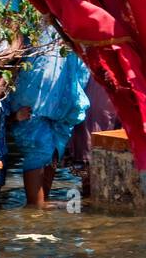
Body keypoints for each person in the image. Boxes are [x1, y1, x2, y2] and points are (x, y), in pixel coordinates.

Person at [8, 24, 90, 208]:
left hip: (64, 92)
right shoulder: (27, 5)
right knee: (39, 146)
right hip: (33, 92)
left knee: (55, 147)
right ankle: (35, 207)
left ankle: (40, 206)